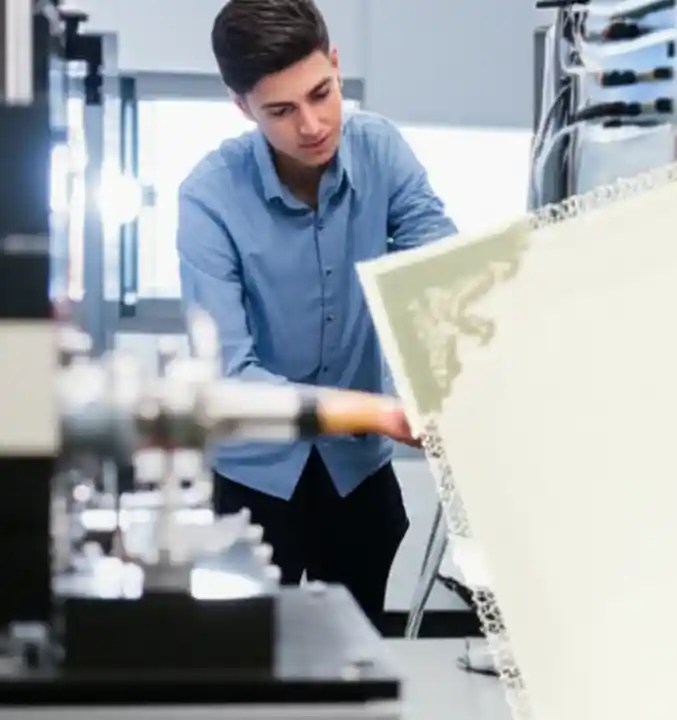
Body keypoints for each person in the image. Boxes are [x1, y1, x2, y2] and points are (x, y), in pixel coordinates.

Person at [176, 0, 458, 629]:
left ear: (334, 64)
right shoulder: (208, 198)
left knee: (359, 668)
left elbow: (441, 275)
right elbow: (229, 375)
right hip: (254, 484)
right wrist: (377, 412)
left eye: (321, 93)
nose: (311, 124)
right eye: (280, 110)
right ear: (243, 107)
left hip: (358, 480)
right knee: (246, 669)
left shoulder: (381, 149)